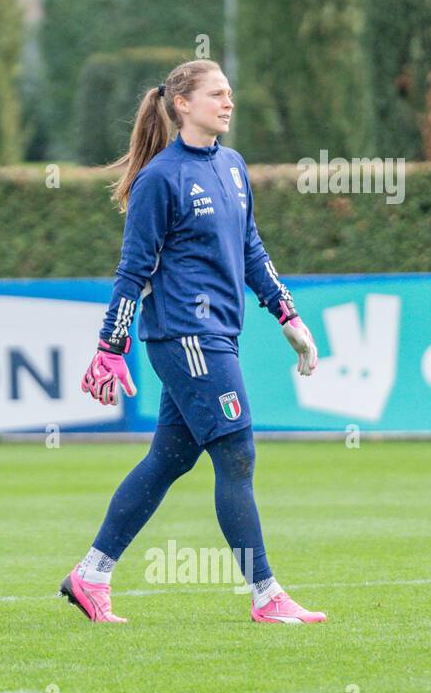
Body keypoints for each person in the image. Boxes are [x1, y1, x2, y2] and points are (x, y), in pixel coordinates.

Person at [66, 59, 327, 625]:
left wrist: (288, 315)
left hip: (219, 334)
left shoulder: (232, 166)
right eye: (216, 94)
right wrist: (110, 345)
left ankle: (90, 575)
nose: (228, 102)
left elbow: (252, 250)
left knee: (169, 458)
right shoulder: (161, 178)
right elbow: (133, 269)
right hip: (186, 336)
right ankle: (266, 595)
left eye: (230, 93)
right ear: (182, 103)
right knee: (237, 454)